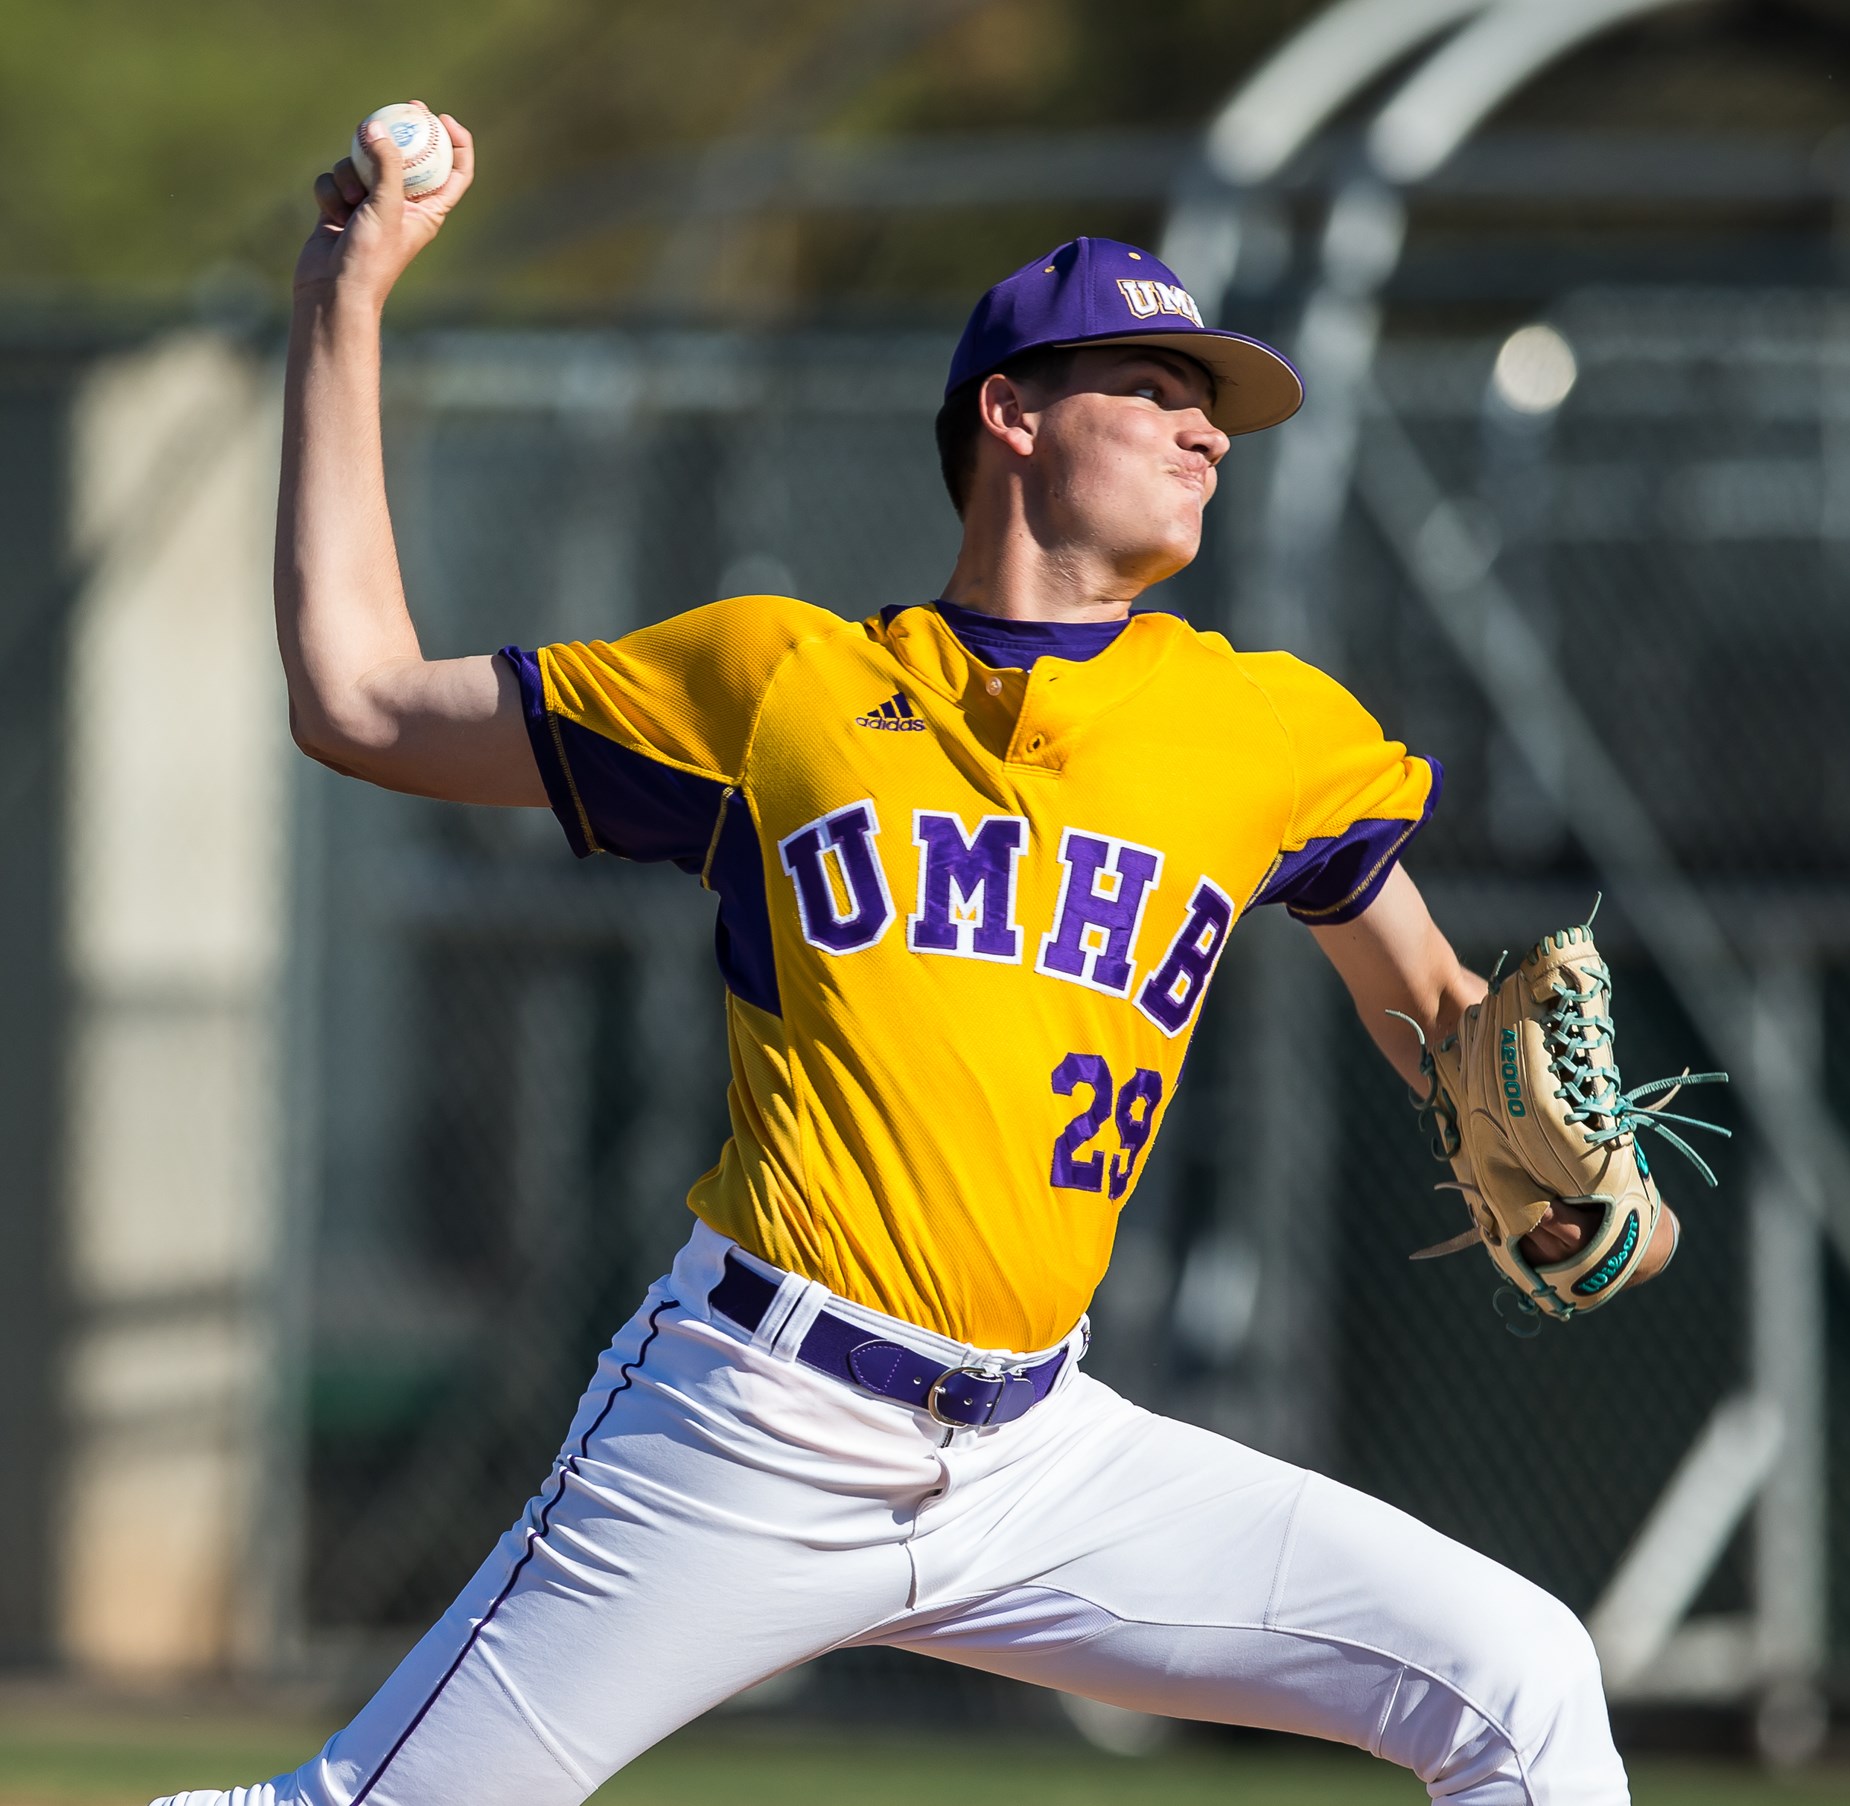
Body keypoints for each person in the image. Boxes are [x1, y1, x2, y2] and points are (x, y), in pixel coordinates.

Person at [154, 110, 1663, 1806]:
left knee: (1519, 1672)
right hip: (751, 1416)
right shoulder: (777, 684)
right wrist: (341, 305)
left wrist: (1534, 1143)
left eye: (1215, 404)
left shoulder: (1260, 727)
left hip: (1038, 1452)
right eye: (1155, 387)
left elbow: (1448, 1017)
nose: (1205, 431)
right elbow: (356, 699)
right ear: (1010, 412)